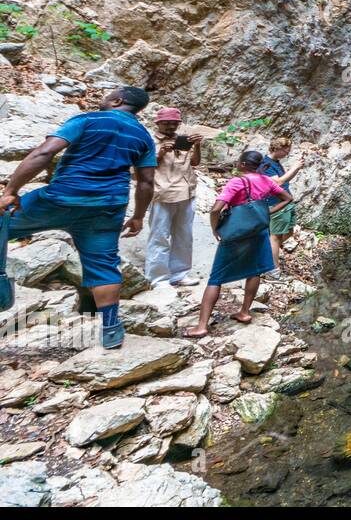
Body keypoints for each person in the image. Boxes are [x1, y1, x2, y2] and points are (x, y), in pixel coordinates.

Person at [0, 86, 157, 349]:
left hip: (61, 198)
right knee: (103, 264)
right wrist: (139, 216)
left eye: (108, 95)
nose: (103, 98)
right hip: (107, 207)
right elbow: (146, 182)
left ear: (117, 100)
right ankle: (111, 329)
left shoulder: (88, 119)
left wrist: (10, 191)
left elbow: (45, 152)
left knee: (4, 221)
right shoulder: (143, 136)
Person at [184, 150, 292, 339]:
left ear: (242, 164)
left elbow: (216, 209)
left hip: (236, 232)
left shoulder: (237, 182)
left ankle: (202, 326)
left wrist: (215, 228)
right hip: (258, 231)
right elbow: (288, 198)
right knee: (255, 270)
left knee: (216, 278)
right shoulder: (266, 181)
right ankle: (245, 312)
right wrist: (268, 212)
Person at [146, 107, 204, 287]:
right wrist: (161, 152)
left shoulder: (182, 140)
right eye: (167, 123)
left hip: (186, 192)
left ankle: (179, 273)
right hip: (162, 193)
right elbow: (144, 165)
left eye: (174, 123)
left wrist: (197, 146)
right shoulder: (149, 140)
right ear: (158, 123)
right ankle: (157, 278)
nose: (171, 126)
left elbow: (194, 163)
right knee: (160, 236)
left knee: (184, 236)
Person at [258, 137, 303, 272]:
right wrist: (295, 168)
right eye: (285, 151)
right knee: (275, 236)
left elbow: (284, 181)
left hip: (286, 202)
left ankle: (266, 252)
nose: (287, 154)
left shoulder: (276, 162)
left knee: (289, 231)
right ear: (276, 148)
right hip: (276, 203)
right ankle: (273, 269)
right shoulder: (266, 164)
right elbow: (277, 183)